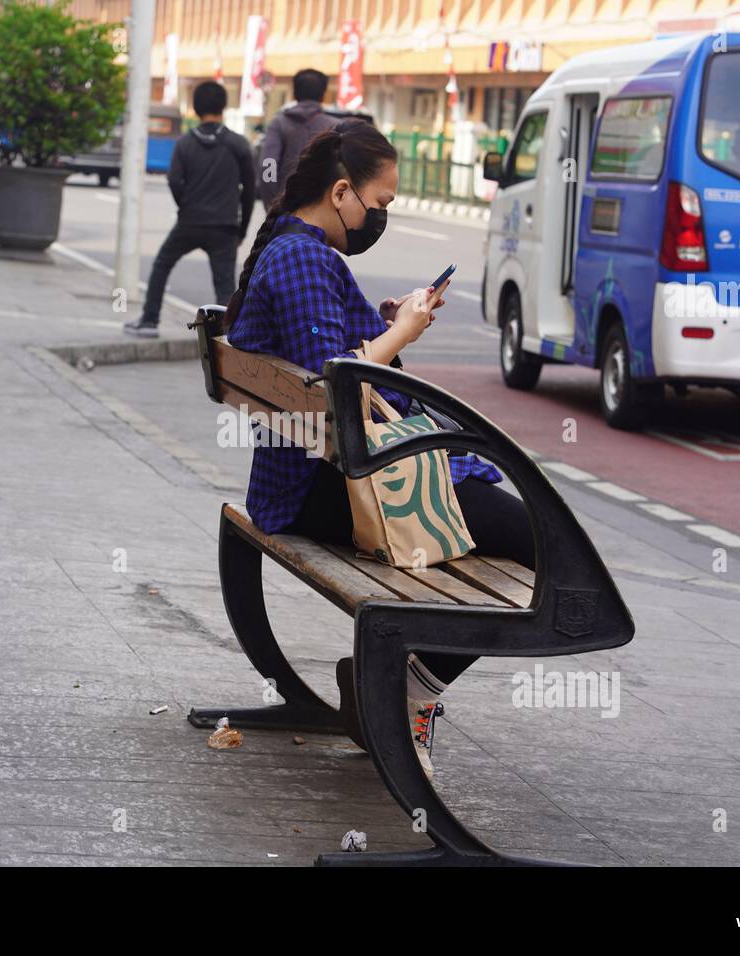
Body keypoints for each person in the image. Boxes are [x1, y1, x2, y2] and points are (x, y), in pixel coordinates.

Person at [224, 120, 536, 777]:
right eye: (381, 205)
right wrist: (399, 334)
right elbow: (341, 382)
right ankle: (406, 688)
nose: (381, 218)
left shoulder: (292, 246)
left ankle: (402, 685)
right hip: (329, 487)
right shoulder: (306, 258)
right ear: (342, 193)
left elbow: (348, 352)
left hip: (311, 479)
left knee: (519, 529)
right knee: (543, 545)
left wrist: (402, 319)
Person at [123, 81, 255, 338]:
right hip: (225, 226)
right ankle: (227, 338)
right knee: (224, 284)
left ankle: (149, 321)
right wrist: (242, 228)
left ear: (195, 108)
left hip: (190, 221)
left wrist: (187, 205)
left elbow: (174, 180)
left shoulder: (185, 143)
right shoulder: (238, 144)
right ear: (223, 107)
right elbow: (249, 190)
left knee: (162, 265)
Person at [256, 68, 339, 208]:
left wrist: (273, 206)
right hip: (324, 212)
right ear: (323, 95)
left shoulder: (278, 123)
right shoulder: (336, 127)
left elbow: (268, 164)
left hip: (286, 209)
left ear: (294, 94)